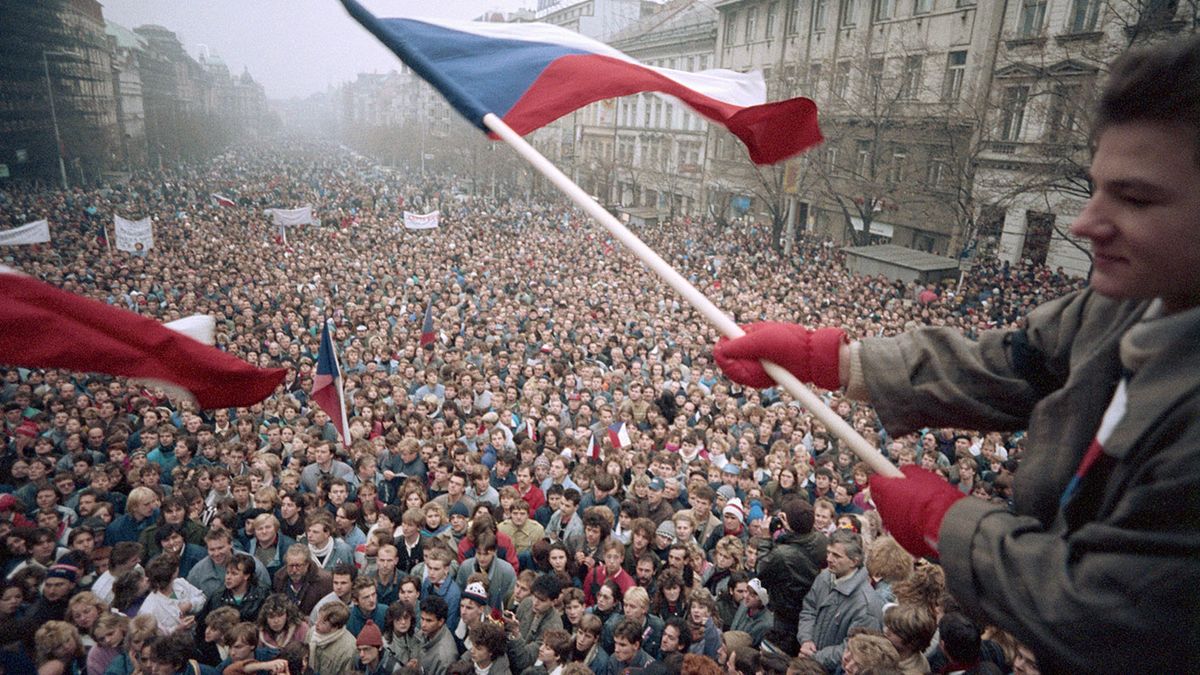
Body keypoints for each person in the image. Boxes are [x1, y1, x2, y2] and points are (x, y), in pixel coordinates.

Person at [712, 35, 1200, 674]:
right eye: (1096, 188)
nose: (1086, 223)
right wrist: (835, 361)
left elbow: (1104, 611)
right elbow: (1011, 362)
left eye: (1135, 198)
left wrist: (952, 525)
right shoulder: (1134, 296)